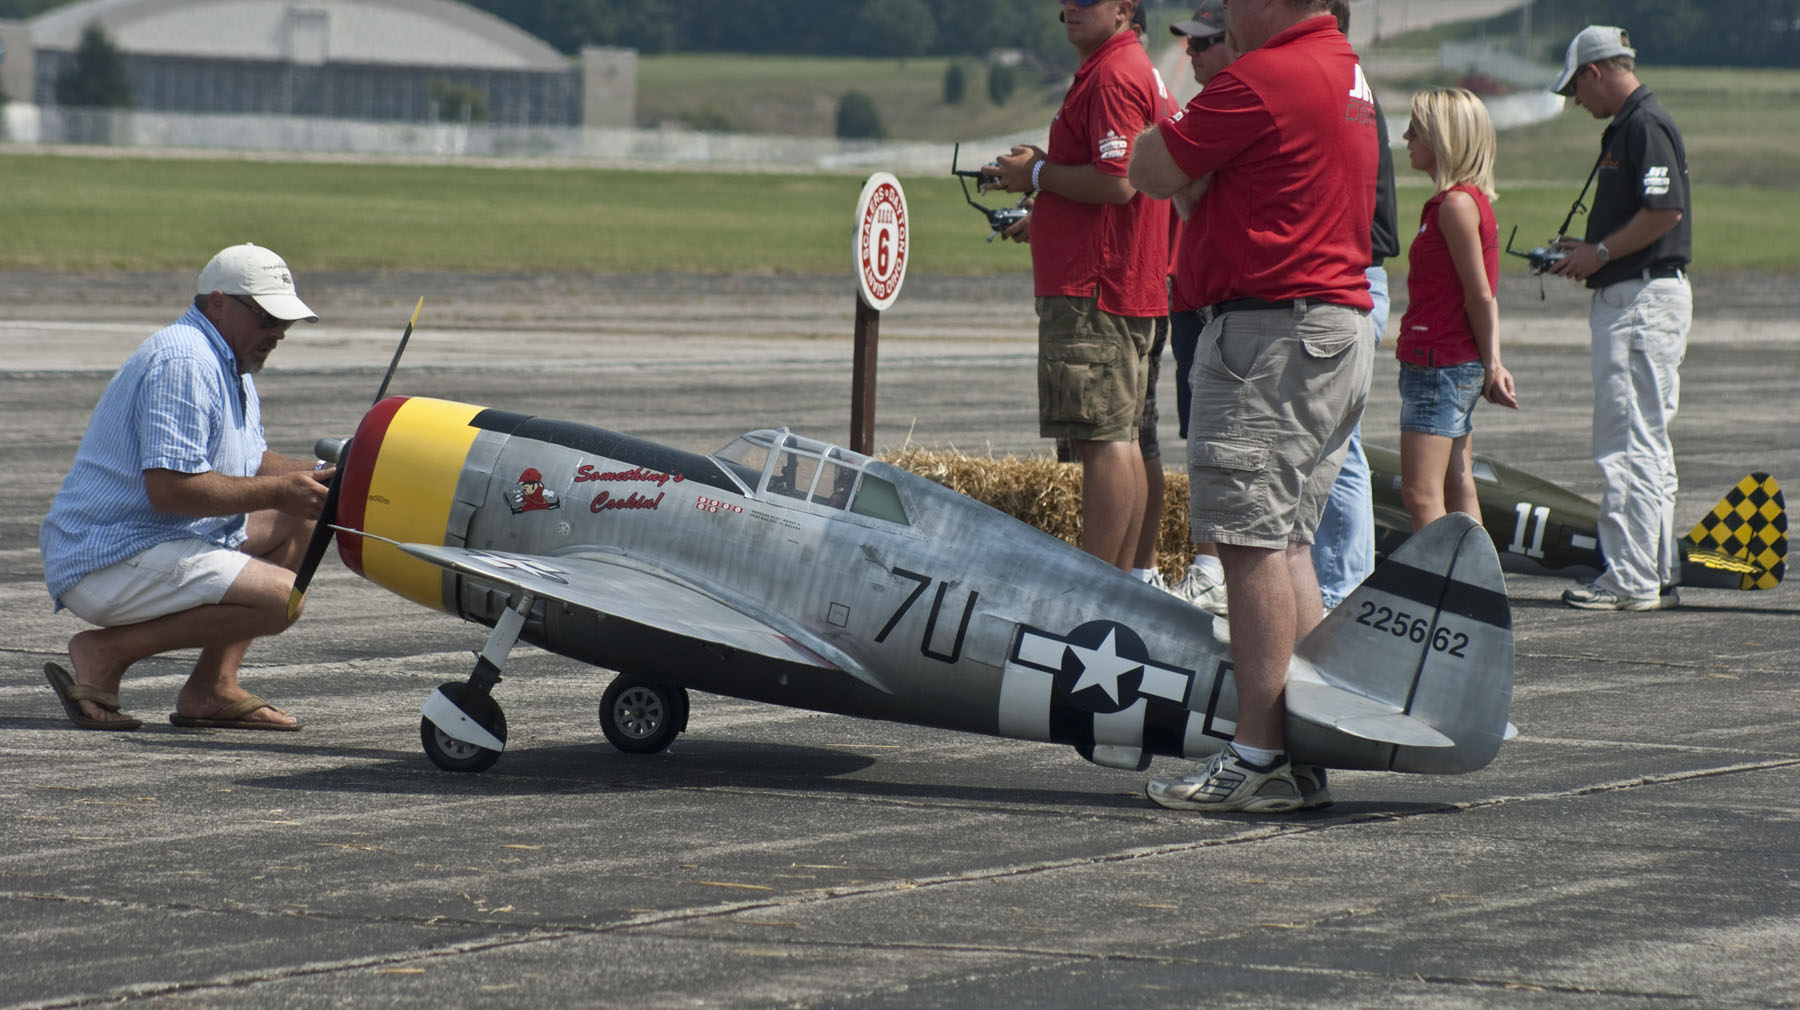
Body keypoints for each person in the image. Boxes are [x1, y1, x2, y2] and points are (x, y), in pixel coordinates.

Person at [1129, 0, 1377, 813]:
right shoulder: (1342, 66)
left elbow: (1150, 169)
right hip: (1333, 328)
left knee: (1245, 542)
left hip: (1268, 334)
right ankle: (1298, 748)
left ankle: (1257, 753)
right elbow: (1220, 193)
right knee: (1292, 541)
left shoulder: (1264, 77)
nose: (1226, 14)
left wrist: (1171, 123)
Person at [39, 243, 330, 731]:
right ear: (219, 302)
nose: (279, 333)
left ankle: (211, 689)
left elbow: (252, 461)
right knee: (284, 598)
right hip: (109, 554)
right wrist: (281, 492)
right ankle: (106, 652)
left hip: (155, 538)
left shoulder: (229, 359)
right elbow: (172, 490)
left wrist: (335, 473)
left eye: (287, 322)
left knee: (306, 517)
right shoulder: (184, 361)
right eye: (267, 318)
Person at [985, 0, 1171, 572]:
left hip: (1098, 287)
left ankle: (1094, 588)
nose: (1070, 7)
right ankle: (1121, 584)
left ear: (1123, 9)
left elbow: (1117, 184)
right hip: (1126, 281)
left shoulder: (1114, 74)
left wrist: (1036, 175)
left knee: (1103, 441)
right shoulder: (1129, 67)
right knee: (1125, 438)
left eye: (1087, 0)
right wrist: (1045, 168)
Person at [1546, 26, 1693, 612]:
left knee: (1626, 442)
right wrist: (1590, 246)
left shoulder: (1641, 125)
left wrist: (1599, 254)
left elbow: (1665, 211)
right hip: (1641, 293)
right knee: (1647, 441)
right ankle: (1654, 569)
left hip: (1638, 302)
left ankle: (1629, 579)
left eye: (1576, 88)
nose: (1577, 101)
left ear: (1595, 72)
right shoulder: (1635, 124)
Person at [1309, 0, 1400, 612]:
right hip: (1360, 274)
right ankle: (1339, 582)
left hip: (1352, 275)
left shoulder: (1341, 91)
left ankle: (1343, 588)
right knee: (1337, 441)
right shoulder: (1355, 89)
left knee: (1337, 445)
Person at [1395, 87, 1518, 530]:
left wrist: (1493, 364)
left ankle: (1444, 592)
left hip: (1440, 363)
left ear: (1443, 138)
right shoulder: (1459, 202)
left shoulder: (1455, 205)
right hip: (1446, 362)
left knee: (1419, 492)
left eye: (1417, 130)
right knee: (1455, 481)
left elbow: (1480, 295)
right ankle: (1476, 590)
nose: (1406, 137)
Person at [1159, 0, 1235, 614]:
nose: (1192, 52)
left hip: (1214, 300)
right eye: (1189, 43)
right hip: (1188, 290)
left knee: (1215, 437)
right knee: (1196, 435)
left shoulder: (1226, 105)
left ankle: (1213, 564)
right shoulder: (1197, 107)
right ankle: (1211, 560)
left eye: (1204, 43)